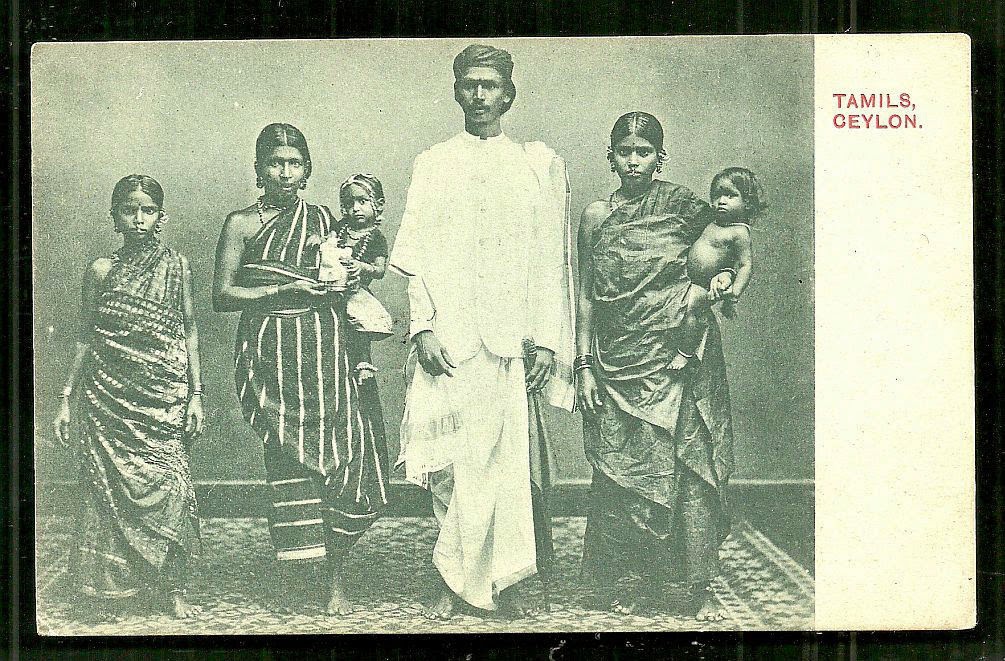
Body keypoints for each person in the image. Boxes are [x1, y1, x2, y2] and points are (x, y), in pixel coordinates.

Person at [390, 44, 575, 619]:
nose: (479, 94)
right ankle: (457, 576)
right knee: (451, 465)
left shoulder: (532, 164)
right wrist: (421, 326)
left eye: (491, 85)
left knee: (501, 463)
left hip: (508, 339)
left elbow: (549, 260)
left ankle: (495, 580)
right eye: (470, 83)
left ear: (509, 94)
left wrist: (544, 338)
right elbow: (416, 257)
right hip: (448, 337)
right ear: (455, 90)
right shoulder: (433, 162)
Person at [212, 123, 389, 616]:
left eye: (295, 164)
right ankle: (300, 580)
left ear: (308, 171)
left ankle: (336, 578)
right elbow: (223, 295)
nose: (285, 173)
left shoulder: (325, 218)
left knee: (342, 459)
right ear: (258, 169)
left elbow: (344, 273)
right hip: (273, 358)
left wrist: (352, 273)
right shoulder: (242, 223)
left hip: (327, 352)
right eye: (275, 163)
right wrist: (284, 291)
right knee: (290, 465)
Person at [576, 112, 735, 621]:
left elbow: (726, 242)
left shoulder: (685, 205)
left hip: (673, 357)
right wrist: (582, 362)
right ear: (611, 154)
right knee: (621, 467)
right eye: (625, 150)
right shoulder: (597, 215)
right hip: (615, 357)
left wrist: (721, 280)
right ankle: (624, 576)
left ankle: (685, 581)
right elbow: (584, 295)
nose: (634, 159)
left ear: (660, 157)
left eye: (644, 151)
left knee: (681, 463)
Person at [52, 174, 204, 620]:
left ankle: (169, 588)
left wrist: (196, 394)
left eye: (147, 210)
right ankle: (109, 592)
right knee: (109, 491)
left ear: (162, 217)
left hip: (165, 393)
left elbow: (189, 329)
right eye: (129, 210)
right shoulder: (100, 270)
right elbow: (85, 336)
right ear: (115, 217)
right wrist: (66, 397)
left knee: (170, 488)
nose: (139, 219)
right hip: (108, 396)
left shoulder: (178, 266)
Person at [669, 167, 764, 370]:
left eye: (730, 195)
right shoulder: (711, 222)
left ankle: (685, 353)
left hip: (706, 286)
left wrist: (734, 290)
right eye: (717, 195)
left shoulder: (739, 231)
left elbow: (745, 265)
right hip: (685, 280)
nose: (721, 201)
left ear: (747, 202)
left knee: (693, 307)